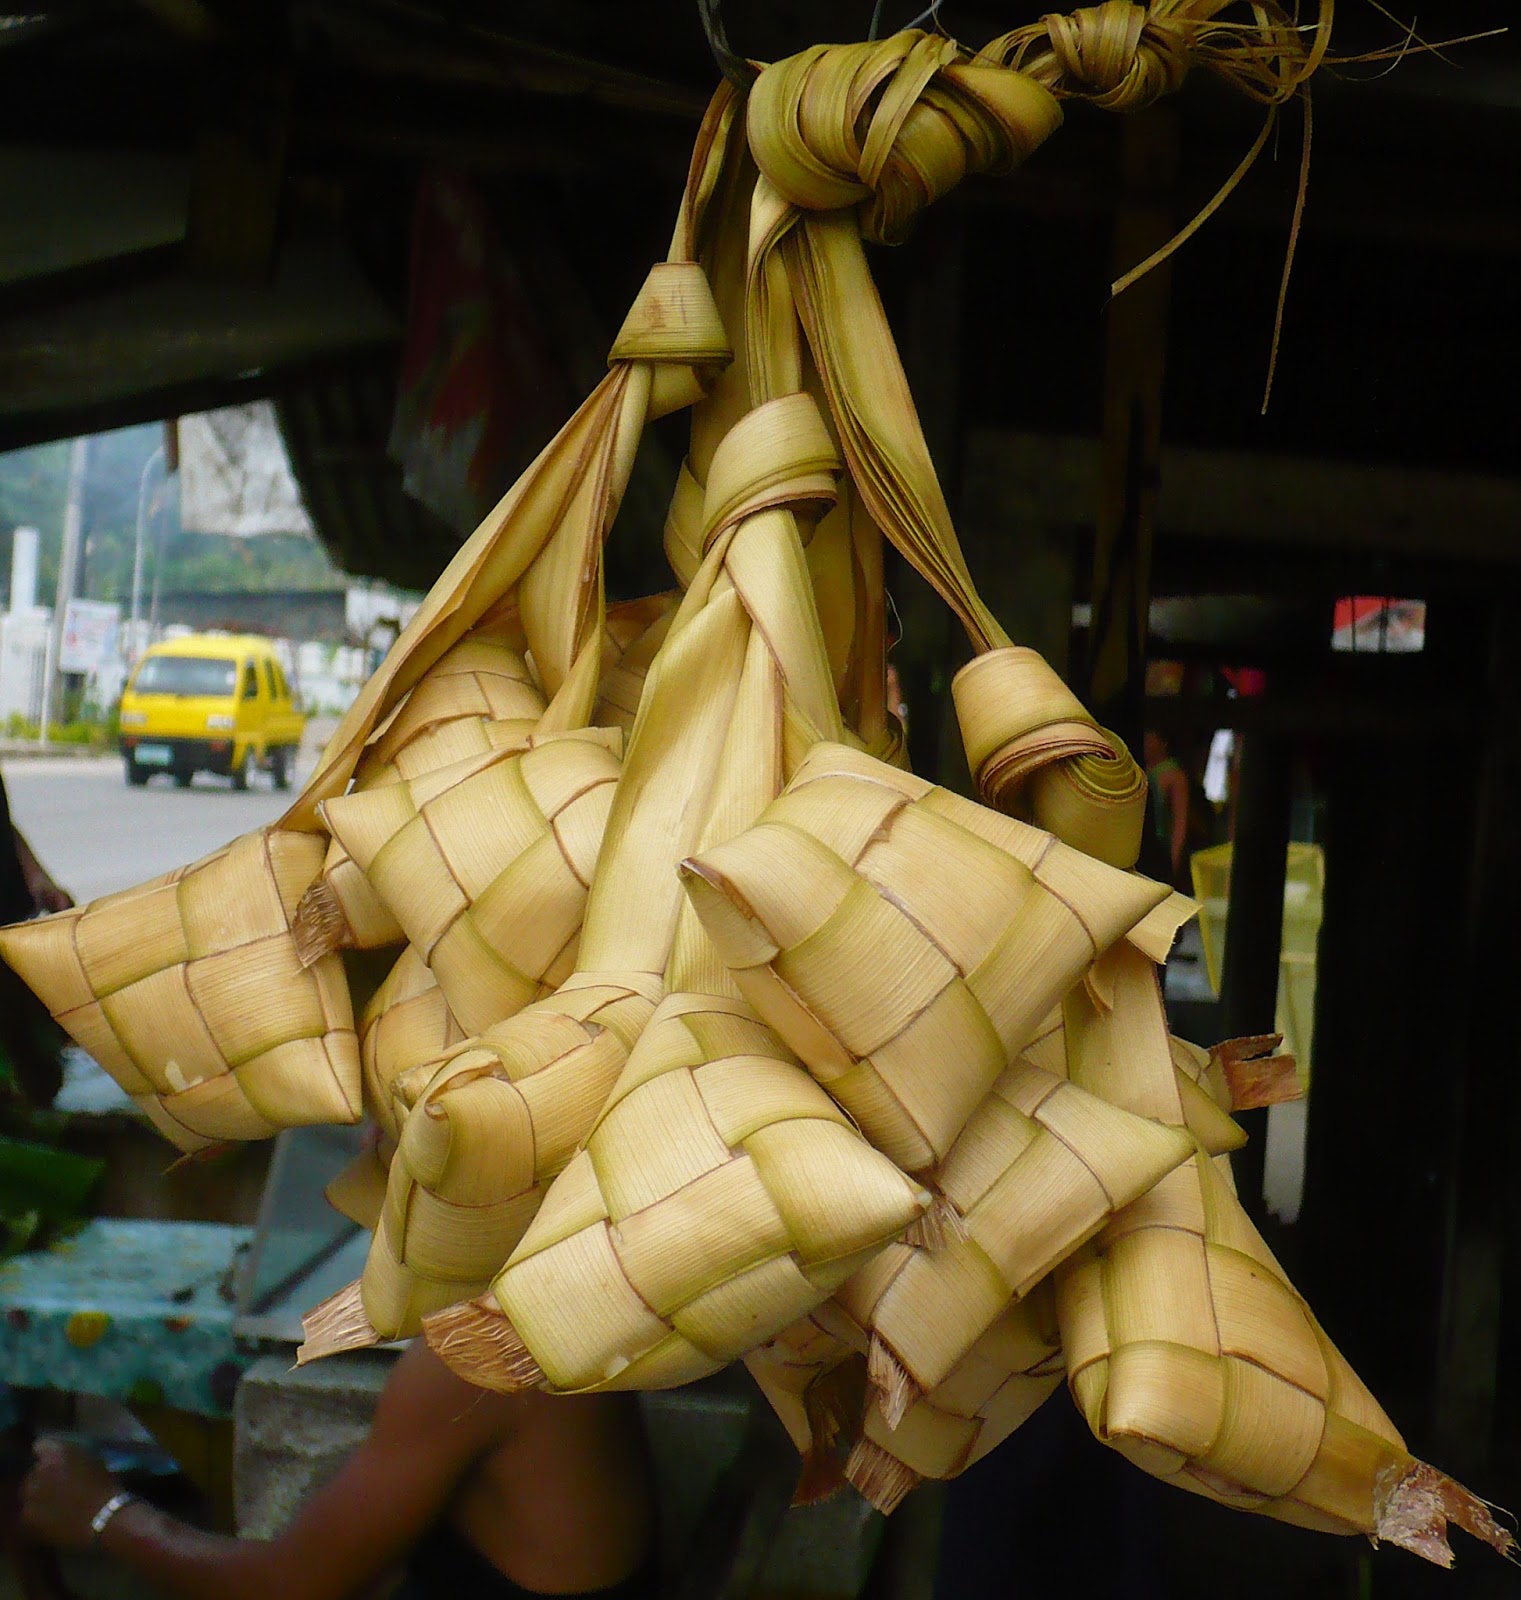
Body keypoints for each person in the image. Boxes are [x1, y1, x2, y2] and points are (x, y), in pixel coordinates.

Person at [19, 1339, 658, 1600]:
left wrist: (104, 1513)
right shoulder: (560, 1297)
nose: (365, 1139)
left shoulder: (479, 1353)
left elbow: (291, 1586)